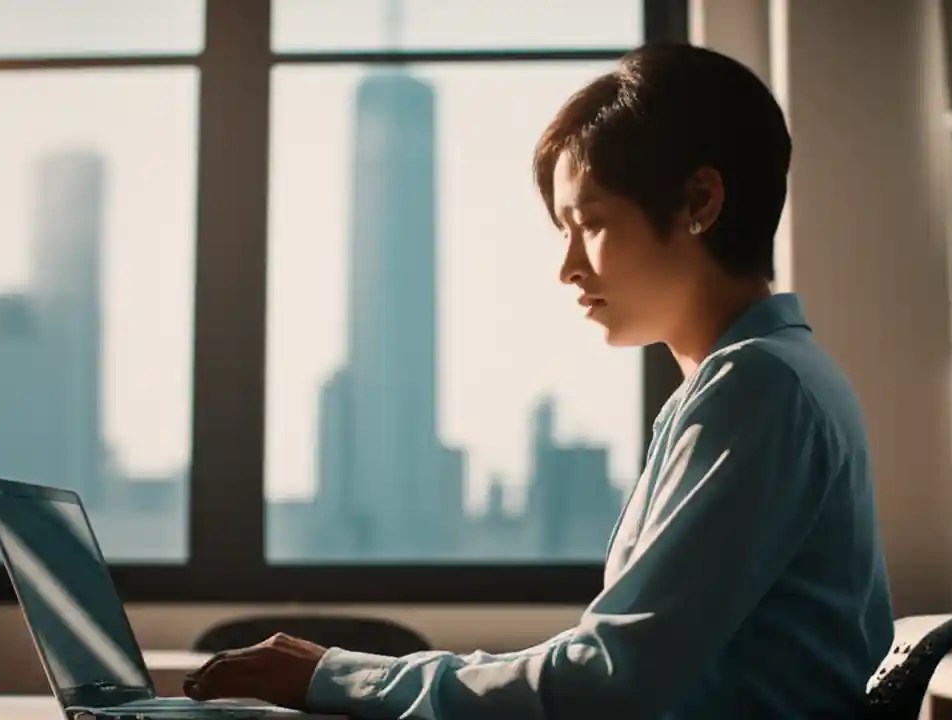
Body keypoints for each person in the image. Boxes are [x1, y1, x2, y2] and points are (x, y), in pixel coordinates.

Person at [183, 42, 894, 719]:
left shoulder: (758, 389)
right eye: (562, 229)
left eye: (589, 222)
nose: (568, 266)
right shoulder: (756, 381)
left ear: (700, 202)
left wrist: (335, 674)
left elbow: (607, 680)